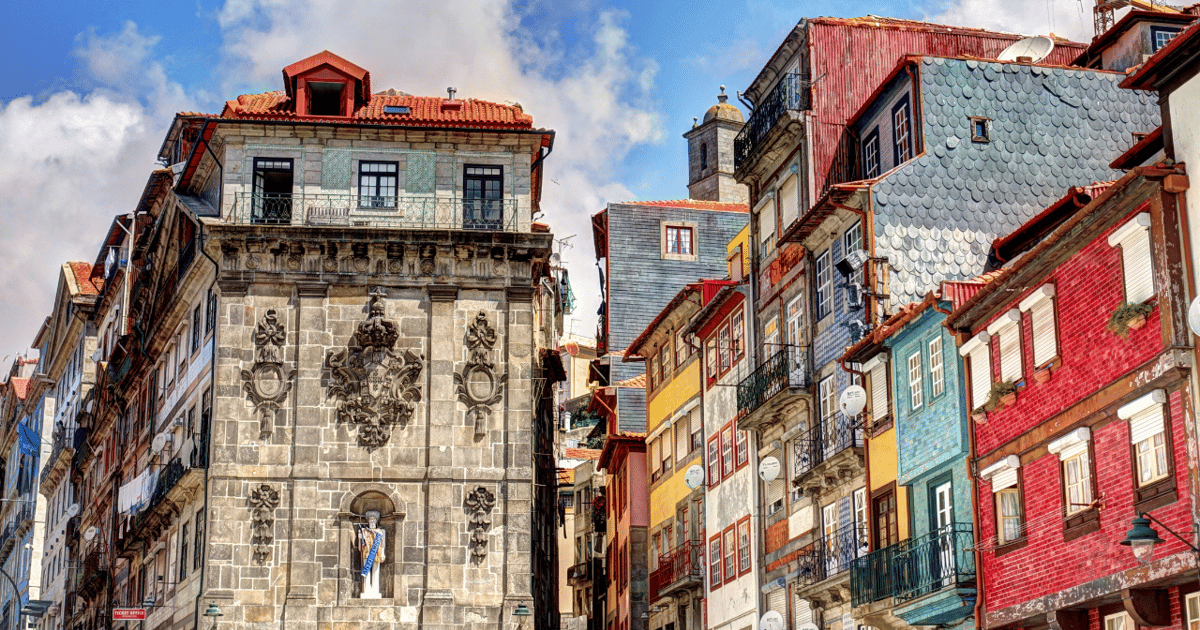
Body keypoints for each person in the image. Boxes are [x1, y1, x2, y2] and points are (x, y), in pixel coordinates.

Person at [358, 510, 386, 598]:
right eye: (371, 521)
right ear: (368, 522)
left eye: (374, 521)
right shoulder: (364, 531)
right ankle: (367, 590)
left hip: (377, 553)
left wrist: (383, 553)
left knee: (375, 571)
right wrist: (359, 538)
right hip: (366, 552)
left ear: (376, 522)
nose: (372, 523)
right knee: (366, 571)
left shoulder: (380, 532)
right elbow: (360, 547)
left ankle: (375, 590)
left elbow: (383, 544)